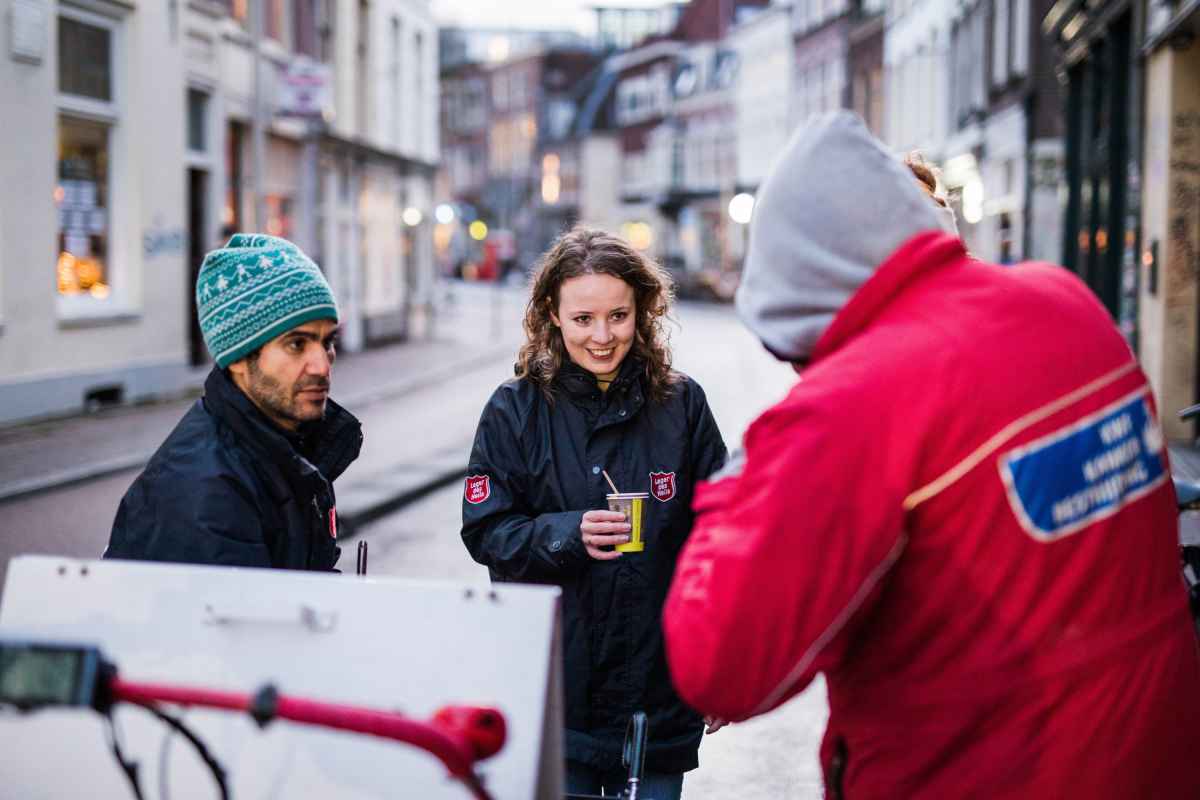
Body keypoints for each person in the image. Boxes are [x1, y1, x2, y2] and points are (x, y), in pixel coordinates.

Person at [662, 112, 1200, 798]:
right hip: (1154, 754)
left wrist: (746, 483)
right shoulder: (1068, 302)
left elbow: (720, 664)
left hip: (978, 773)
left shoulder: (849, 408)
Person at [461, 227, 727, 798]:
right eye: (583, 319)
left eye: (618, 316)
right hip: (559, 696)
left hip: (658, 699)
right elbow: (486, 531)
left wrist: (720, 664)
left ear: (643, 312)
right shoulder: (515, 410)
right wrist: (565, 533)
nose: (603, 336)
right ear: (553, 316)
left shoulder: (682, 406)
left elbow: (722, 540)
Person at [105, 234, 361, 570]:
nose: (323, 364)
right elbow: (251, 620)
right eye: (297, 345)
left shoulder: (280, 451)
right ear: (238, 358)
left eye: (327, 342)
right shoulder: (205, 496)